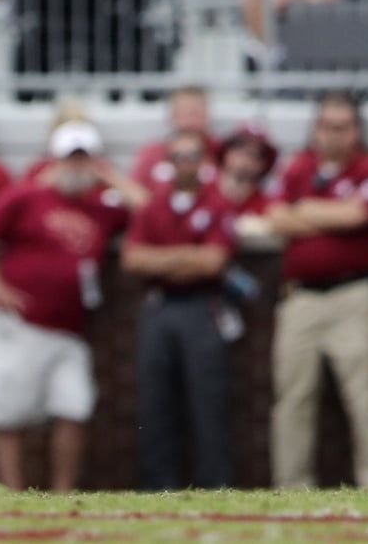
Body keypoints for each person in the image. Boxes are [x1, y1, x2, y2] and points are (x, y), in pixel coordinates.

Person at [0, 120, 130, 491]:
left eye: (84, 160)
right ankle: (13, 491)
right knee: (7, 413)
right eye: (70, 159)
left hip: (70, 329)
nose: (76, 168)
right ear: (54, 161)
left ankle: (63, 491)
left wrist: (109, 178)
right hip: (20, 324)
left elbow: (150, 207)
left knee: (74, 408)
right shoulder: (26, 196)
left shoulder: (104, 208)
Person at [265, 92, 368, 488]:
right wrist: (328, 217)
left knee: (365, 400)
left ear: (356, 131)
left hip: (351, 297)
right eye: (325, 126)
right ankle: (292, 494)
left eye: (341, 127)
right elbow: (275, 217)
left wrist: (304, 209)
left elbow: (360, 213)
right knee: (292, 400)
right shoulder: (298, 166)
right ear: (314, 128)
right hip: (300, 298)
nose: (332, 136)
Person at [121, 128, 237, 489]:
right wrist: (188, 254)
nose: (183, 163)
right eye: (177, 156)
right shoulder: (153, 206)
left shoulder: (217, 204)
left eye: (191, 155)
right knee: (155, 402)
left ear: (202, 161)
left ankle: (214, 485)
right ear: (168, 162)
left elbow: (213, 262)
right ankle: (158, 487)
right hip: (160, 307)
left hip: (201, 306)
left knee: (208, 401)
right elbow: (133, 259)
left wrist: (164, 260)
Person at [130, 86, 220, 190]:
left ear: (207, 116)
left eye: (196, 113)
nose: (190, 120)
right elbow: (135, 192)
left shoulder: (220, 151)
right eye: (184, 113)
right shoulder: (152, 153)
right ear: (171, 116)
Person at [214, 123, 278, 216]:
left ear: (263, 164)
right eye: (239, 146)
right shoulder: (199, 193)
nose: (245, 157)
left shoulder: (267, 208)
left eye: (256, 153)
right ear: (225, 152)